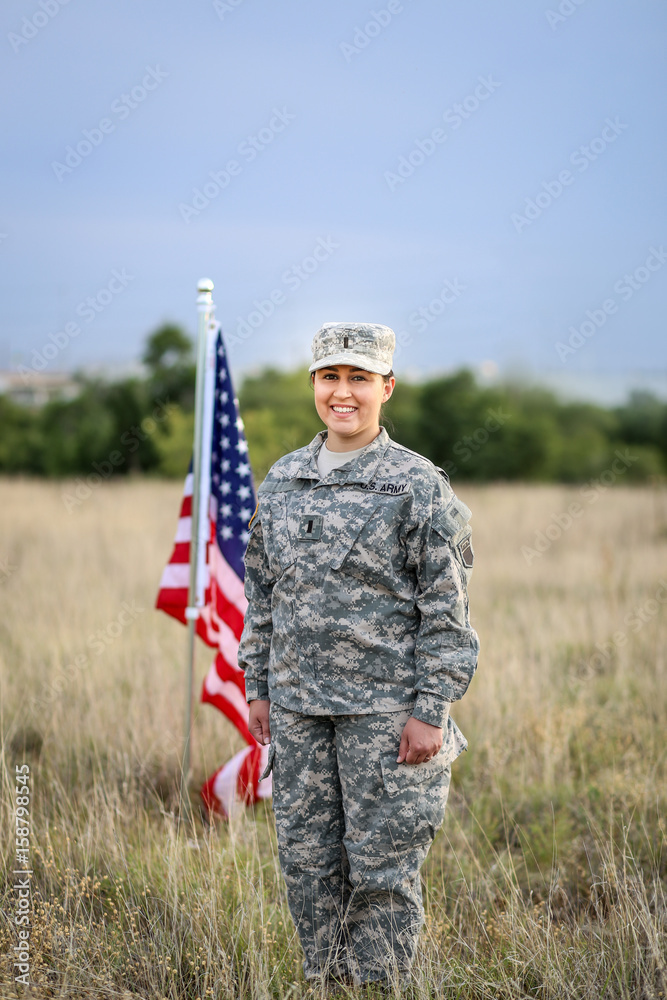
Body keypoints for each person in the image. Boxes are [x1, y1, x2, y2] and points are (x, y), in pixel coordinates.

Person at [238, 322, 479, 990]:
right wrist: (256, 685)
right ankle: (325, 985)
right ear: (313, 384)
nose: (341, 393)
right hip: (295, 710)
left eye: (358, 379)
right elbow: (261, 592)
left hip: (385, 716)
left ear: (386, 388)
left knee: (380, 875)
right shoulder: (283, 479)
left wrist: (430, 710)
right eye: (329, 377)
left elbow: (446, 610)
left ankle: (378, 992)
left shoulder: (415, 486)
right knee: (307, 868)